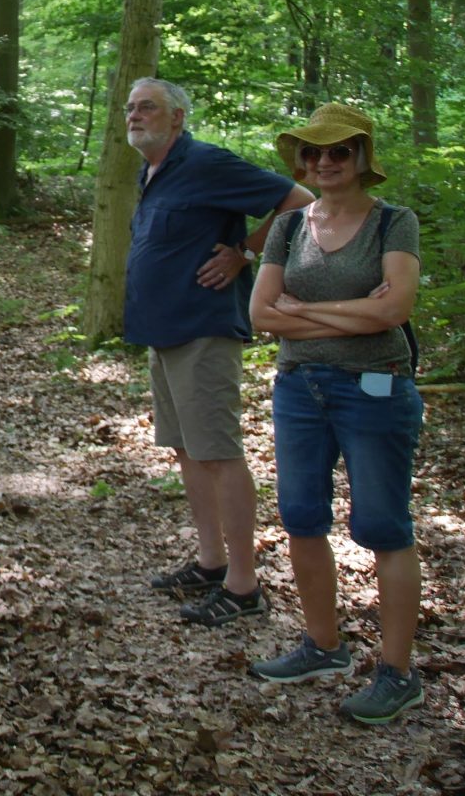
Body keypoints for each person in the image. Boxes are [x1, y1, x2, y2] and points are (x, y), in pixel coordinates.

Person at [247, 104, 425, 724]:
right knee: (301, 518)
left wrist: (302, 312)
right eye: (313, 152)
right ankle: (323, 646)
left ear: (362, 157)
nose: (324, 162)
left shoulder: (393, 222)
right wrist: (353, 312)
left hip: (375, 387)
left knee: (384, 526)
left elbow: (394, 311)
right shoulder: (289, 226)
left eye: (339, 151)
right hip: (299, 388)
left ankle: (397, 673)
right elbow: (260, 314)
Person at [124, 77, 313, 626]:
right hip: (164, 332)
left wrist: (244, 253)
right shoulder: (151, 172)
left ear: (177, 117)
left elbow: (299, 204)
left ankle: (244, 586)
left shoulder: (206, 162)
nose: (135, 115)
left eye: (148, 107)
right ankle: (211, 563)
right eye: (130, 108)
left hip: (204, 330)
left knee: (218, 452)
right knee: (187, 450)